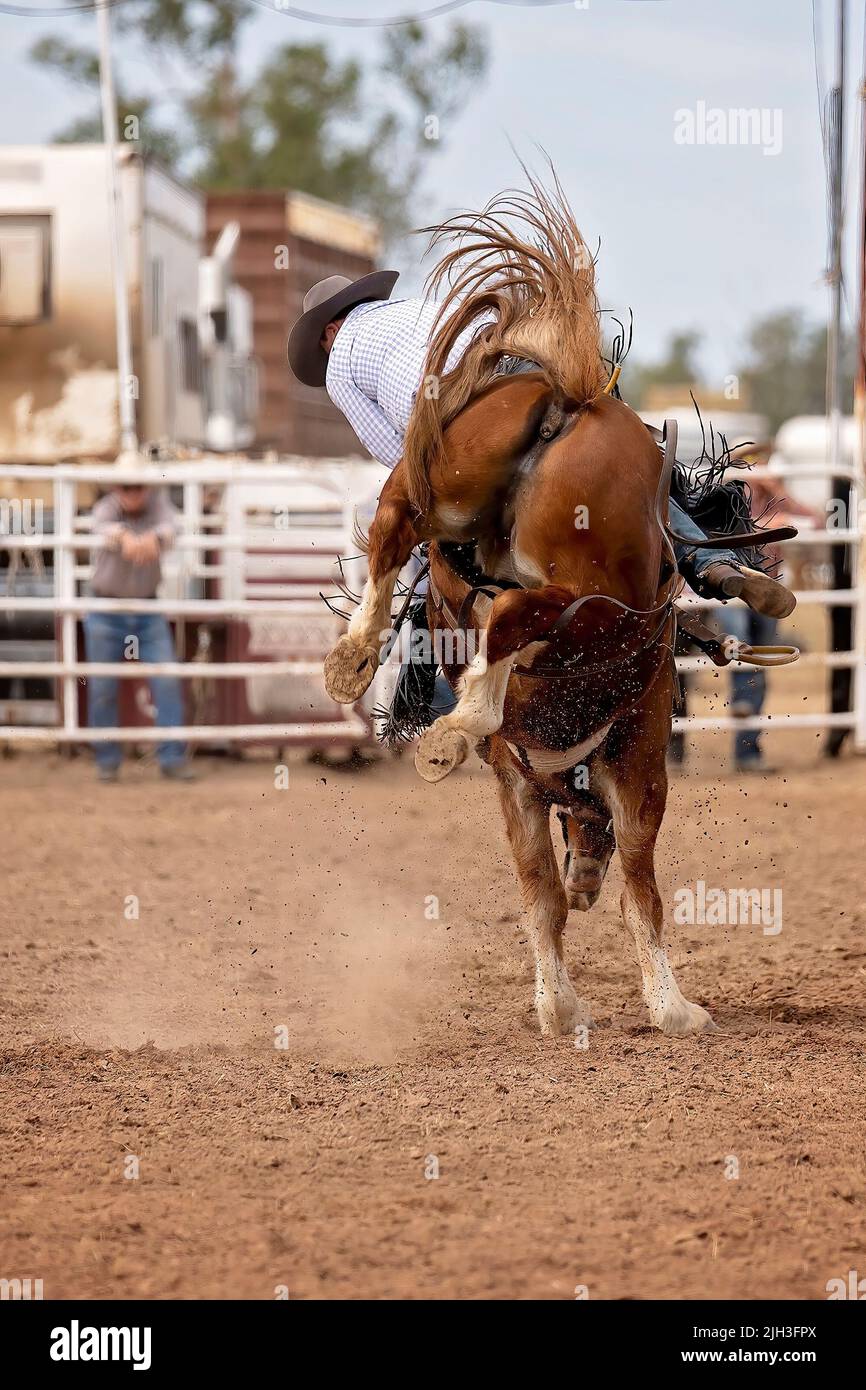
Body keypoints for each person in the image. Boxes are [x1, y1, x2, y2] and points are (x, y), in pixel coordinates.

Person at [287, 272, 797, 622]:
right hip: (524, 366)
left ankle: (431, 686)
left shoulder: (342, 360)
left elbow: (393, 452)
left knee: (421, 547)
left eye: (323, 342)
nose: (327, 350)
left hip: (460, 412)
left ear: (331, 328)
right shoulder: (420, 308)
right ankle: (706, 562)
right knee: (630, 459)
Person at [84, 480, 194, 783]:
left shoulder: (158, 505)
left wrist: (153, 538)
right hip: (108, 609)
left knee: (167, 680)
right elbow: (101, 527)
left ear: (146, 488)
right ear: (116, 488)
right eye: (126, 487)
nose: (132, 492)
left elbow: (173, 528)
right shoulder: (107, 507)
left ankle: (171, 758)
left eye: (138, 486)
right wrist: (126, 537)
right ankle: (107, 761)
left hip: (146, 609)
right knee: (103, 688)